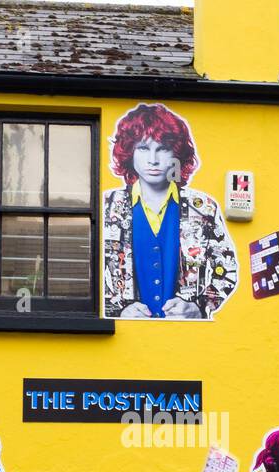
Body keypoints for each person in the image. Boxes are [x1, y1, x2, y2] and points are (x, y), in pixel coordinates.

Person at [102, 103, 237, 319]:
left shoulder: (203, 208)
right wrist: (116, 310)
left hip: (187, 340)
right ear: (129, 152)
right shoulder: (106, 206)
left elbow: (227, 271)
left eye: (162, 148)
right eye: (143, 148)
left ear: (176, 154)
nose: (153, 159)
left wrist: (200, 307)